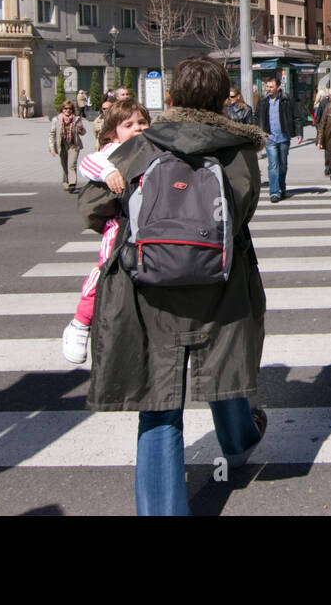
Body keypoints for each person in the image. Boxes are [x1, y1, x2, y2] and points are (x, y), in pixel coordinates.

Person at [78, 57, 268, 516]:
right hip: (218, 282)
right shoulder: (238, 150)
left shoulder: (142, 145)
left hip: (147, 286)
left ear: (170, 98)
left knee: (159, 402)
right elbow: (242, 211)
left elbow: (91, 208)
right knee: (222, 368)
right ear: (224, 98)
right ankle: (239, 447)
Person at [62, 98, 151, 365]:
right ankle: (80, 324)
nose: (138, 128)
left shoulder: (150, 147)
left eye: (143, 123)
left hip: (146, 226)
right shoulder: (113, 150)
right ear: (113, 131)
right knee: (105, 271)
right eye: (129, 124)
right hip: (118, 226)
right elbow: (89, 162)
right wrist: (109, 170)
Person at [254, 75, 296, 202]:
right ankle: (274, 192)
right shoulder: (263, 101)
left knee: (283, 165)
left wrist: (298, 133)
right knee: (273, 165)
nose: (269, 89)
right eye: (268, 86)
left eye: (271, 87)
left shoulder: (286, 99)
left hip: (283, 137)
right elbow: (256, 117)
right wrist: (260, 131)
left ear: (278, 87)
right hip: (270, 137)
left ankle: (282, 188)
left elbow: (296, 116)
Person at [49, 101, 88, 193]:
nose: (67, 110)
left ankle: (72, 183)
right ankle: (66, 182)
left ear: (72, 110)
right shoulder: (56, 120)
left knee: (71, 164)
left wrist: (80, 128)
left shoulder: (76, 119)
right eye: (65, 108)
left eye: (70, 109)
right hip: (61, 145)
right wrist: (52, 148)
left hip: (73, 145)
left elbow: (83, 133)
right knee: (64, 165)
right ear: (62, 109)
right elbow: (52, 134)